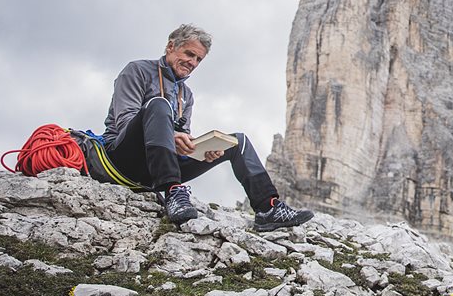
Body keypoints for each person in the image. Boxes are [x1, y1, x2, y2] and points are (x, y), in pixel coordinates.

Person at [103, 23, 313, 231]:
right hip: (122, 158)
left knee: (237, 141)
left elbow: (181, 137)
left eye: (198, 59)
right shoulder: (137, 71)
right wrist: (170, 134)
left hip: (157, 166)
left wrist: (200, 151)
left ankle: (268, 209)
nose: (192, 62)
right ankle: (173, 192)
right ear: (170, 47)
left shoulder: (186, 95)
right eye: (189, 54)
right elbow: (125, 121)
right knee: (158, 104)